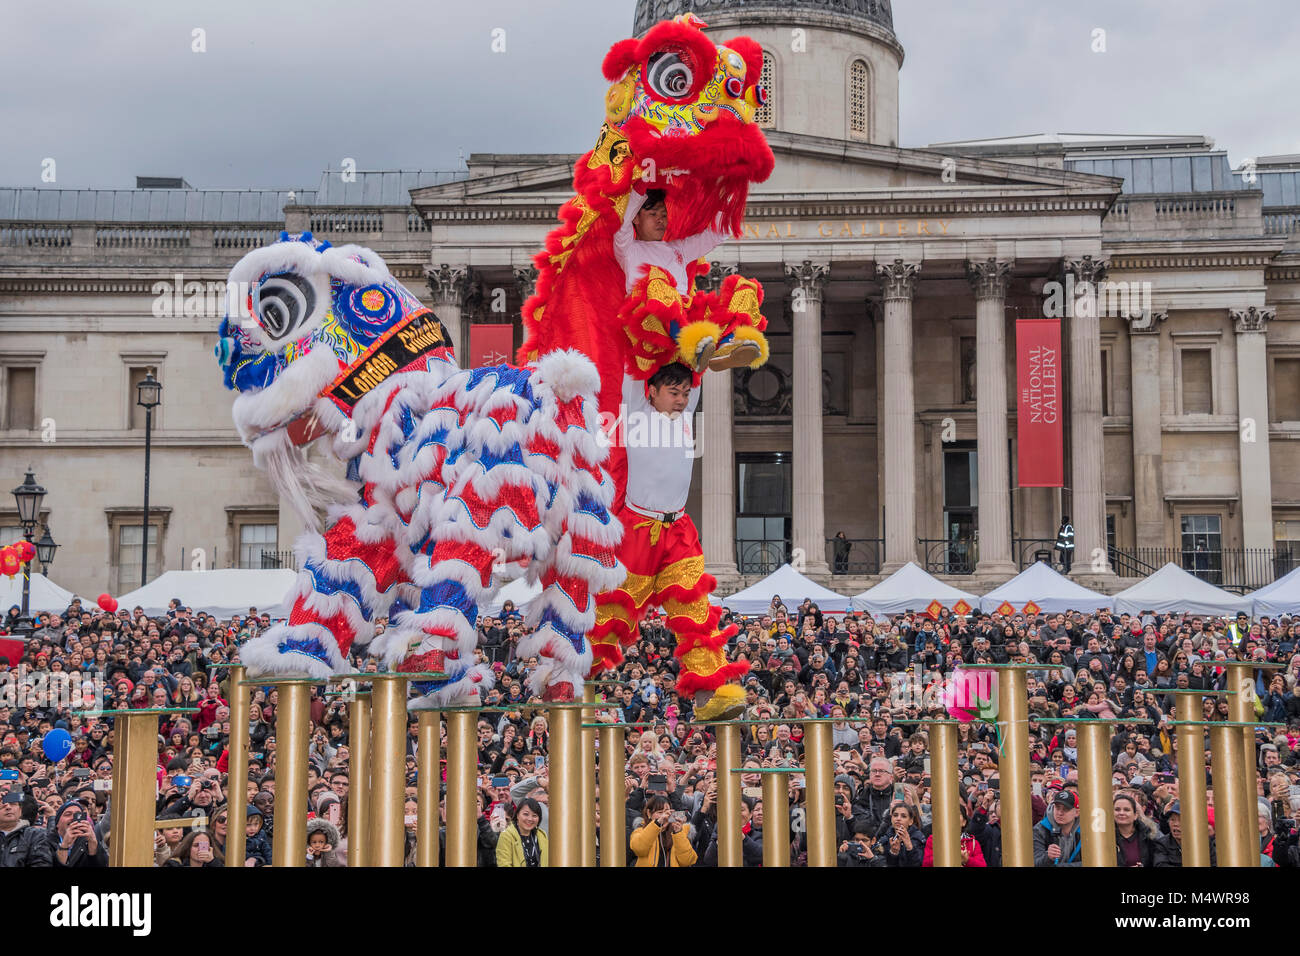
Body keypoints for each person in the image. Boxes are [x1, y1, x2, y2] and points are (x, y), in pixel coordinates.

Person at [590, 360, 747, 720]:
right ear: (652, 391)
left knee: (694, 610)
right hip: (636, 531)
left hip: (678, 529)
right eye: (673, 393)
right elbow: (632, 362)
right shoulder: (634, 413)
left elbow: (698, 361)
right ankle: (574, 678)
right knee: (613, 613)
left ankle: (709, 693)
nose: (680, 400)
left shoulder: (686, 414)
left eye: (685, 394)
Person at [631, 795, 697, 868]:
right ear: (649, 813)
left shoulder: (680, 831)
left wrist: (678, 833)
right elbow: (639, 849)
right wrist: (657, 824)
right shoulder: (640, 830)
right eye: (660, 812)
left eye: (666, 812)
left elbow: (688, 861)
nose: (664, 815)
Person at [0, 790, 50, 867]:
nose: (8, 807)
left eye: (13, 804)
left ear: (20, 810)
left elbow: (41, 862)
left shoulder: (35, 835)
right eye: (2, 804)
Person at [1034, 790, 1082, 866]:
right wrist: (1047, 857)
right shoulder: (1040, 830)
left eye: (1066, 809)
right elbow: (1033, 863)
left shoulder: (1086, 831)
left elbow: (1094, 861)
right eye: (1057, 807)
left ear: (1077, 813)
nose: (1060, 813)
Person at [496, 797, 547, 868]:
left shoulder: (542, 835)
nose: (530, 819)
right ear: (517, 815)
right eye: (526, 814)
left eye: (534, 815)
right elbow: (503, 863)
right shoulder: (506, 835)